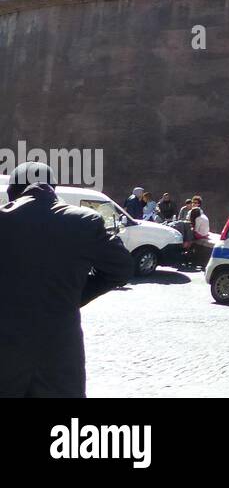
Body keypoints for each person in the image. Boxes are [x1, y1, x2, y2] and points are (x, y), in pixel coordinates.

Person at [0, 162, 135, 398]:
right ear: (53, 188)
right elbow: (121, 269)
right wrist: (75, 295)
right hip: (59, 354)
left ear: (13, 190)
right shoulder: (86, 221)